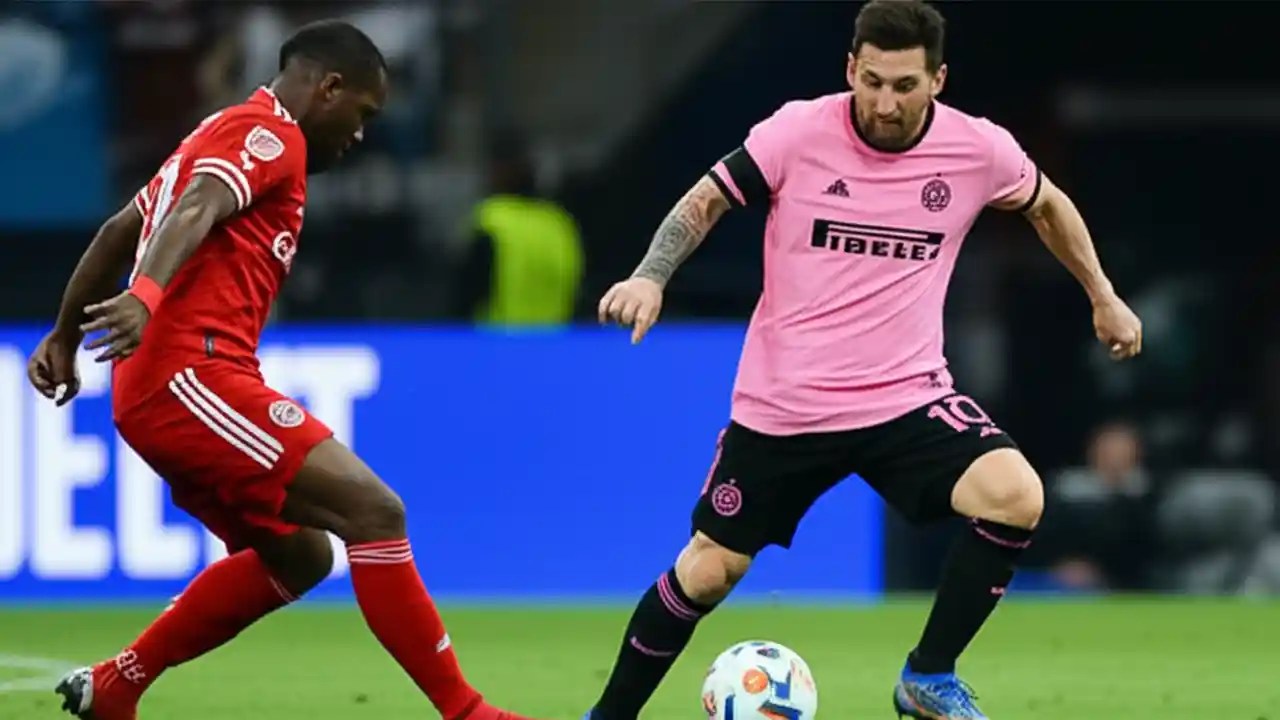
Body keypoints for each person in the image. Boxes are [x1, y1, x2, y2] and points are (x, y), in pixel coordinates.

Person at [588, 2, 1142, 718]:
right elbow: (707, 199)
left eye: (905, 85)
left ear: (938, 80)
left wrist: (1103, 295)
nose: (885, 102)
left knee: (1016, 495)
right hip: (784, 407)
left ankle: (927, 677)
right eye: (872, 81)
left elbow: (1047, 205)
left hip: (904, 398)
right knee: (708, 572)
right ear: (851, 68)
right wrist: (650, 275)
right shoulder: (797, 132)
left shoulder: (978, 150)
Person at [29, 20, 537, 720]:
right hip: (189, 378)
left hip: (165, 385)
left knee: (301, 557)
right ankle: (469, 713)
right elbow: (199, 207)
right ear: (328, 87)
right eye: (362, 114)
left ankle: (119, 684)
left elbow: (119, 228)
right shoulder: (272, 135)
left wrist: (62, 332)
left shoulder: (210, 132)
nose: (359, 136)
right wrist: (146, 298)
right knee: (373, 511)